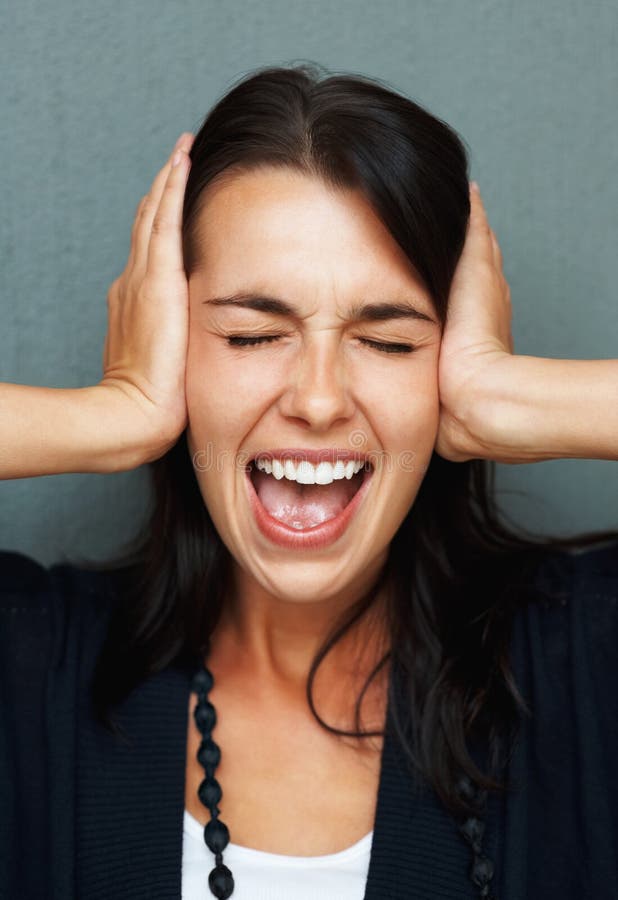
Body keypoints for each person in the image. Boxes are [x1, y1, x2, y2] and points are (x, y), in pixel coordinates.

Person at [1, 63, 617, 900]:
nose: (319, 399)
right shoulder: (34, 667)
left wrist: (510, 399)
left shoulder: (579, 662)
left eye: (391, 341)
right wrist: (116, 416)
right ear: (173, 342)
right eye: (254, 335)